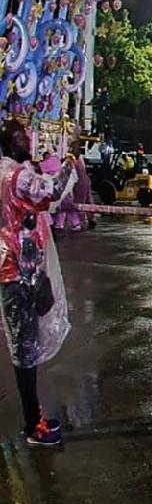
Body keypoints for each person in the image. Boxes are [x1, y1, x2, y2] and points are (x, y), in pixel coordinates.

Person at [1, 120, 75, 448]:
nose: (27, 140)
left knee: (21, 342)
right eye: (20, 137)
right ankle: (35, 426)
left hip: (12, 265)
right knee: (24, 348)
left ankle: (35, 417)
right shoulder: (17, 175)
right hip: (16, 270)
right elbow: (54, 190)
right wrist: (70, 161)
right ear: (7, 142)